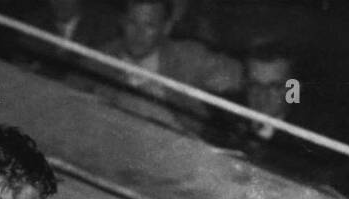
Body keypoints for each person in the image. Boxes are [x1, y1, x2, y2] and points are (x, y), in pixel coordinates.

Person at [96, 0, 243, 134]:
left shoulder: (187, 57)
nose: (138, 34)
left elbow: (236, 74)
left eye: (149, 25)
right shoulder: (99, 58)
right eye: (132, 23)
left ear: (166, 28)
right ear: (121, 21)